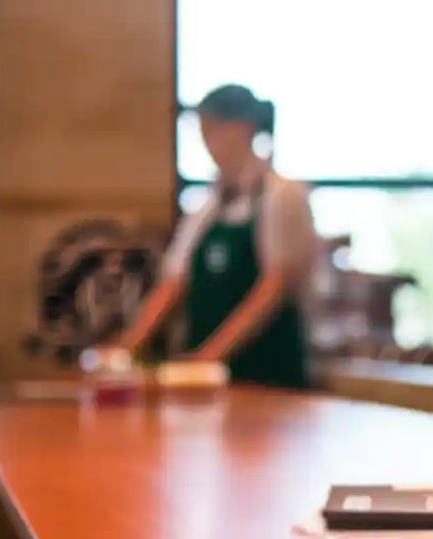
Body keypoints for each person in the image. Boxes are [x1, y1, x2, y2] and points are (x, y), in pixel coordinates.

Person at [115, 84, 317, 388]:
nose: (208, 142)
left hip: (268, 372)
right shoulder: (208, 206)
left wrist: (209, 357)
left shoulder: (283, 195)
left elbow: (273, 288)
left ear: (244, 128)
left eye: (214, 130)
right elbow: (172, 283)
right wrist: (126, 349)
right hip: (210, 379)